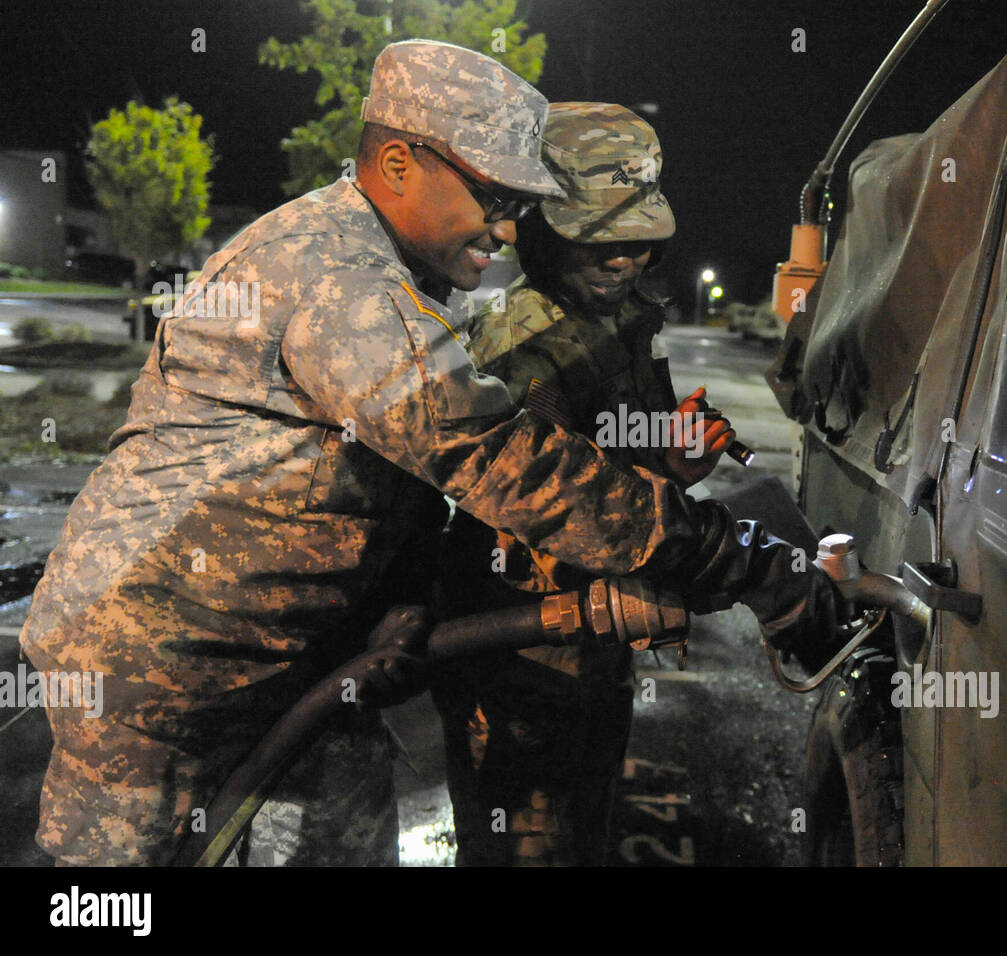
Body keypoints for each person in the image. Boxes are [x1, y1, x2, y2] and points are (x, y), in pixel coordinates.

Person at [18, 41, 838, 867]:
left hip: (304, 664)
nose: (510, 230)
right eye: (493, 197)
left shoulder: (398, 275)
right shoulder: (343, 282)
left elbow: (397, 471)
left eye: (520, 204)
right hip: (161, 670)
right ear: (399, 164)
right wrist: (745, 563)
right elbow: (499, 459)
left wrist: (402, 594)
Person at [433, 102, 734, 866]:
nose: (623, 260)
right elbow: (526, 504)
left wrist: (672, 461)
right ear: (541, 229)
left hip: (599, 646)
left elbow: (616, 460)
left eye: (639, 239)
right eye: (598, 238)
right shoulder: (522, 345)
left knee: (586, 835)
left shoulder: (621, 319)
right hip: (523, 660)